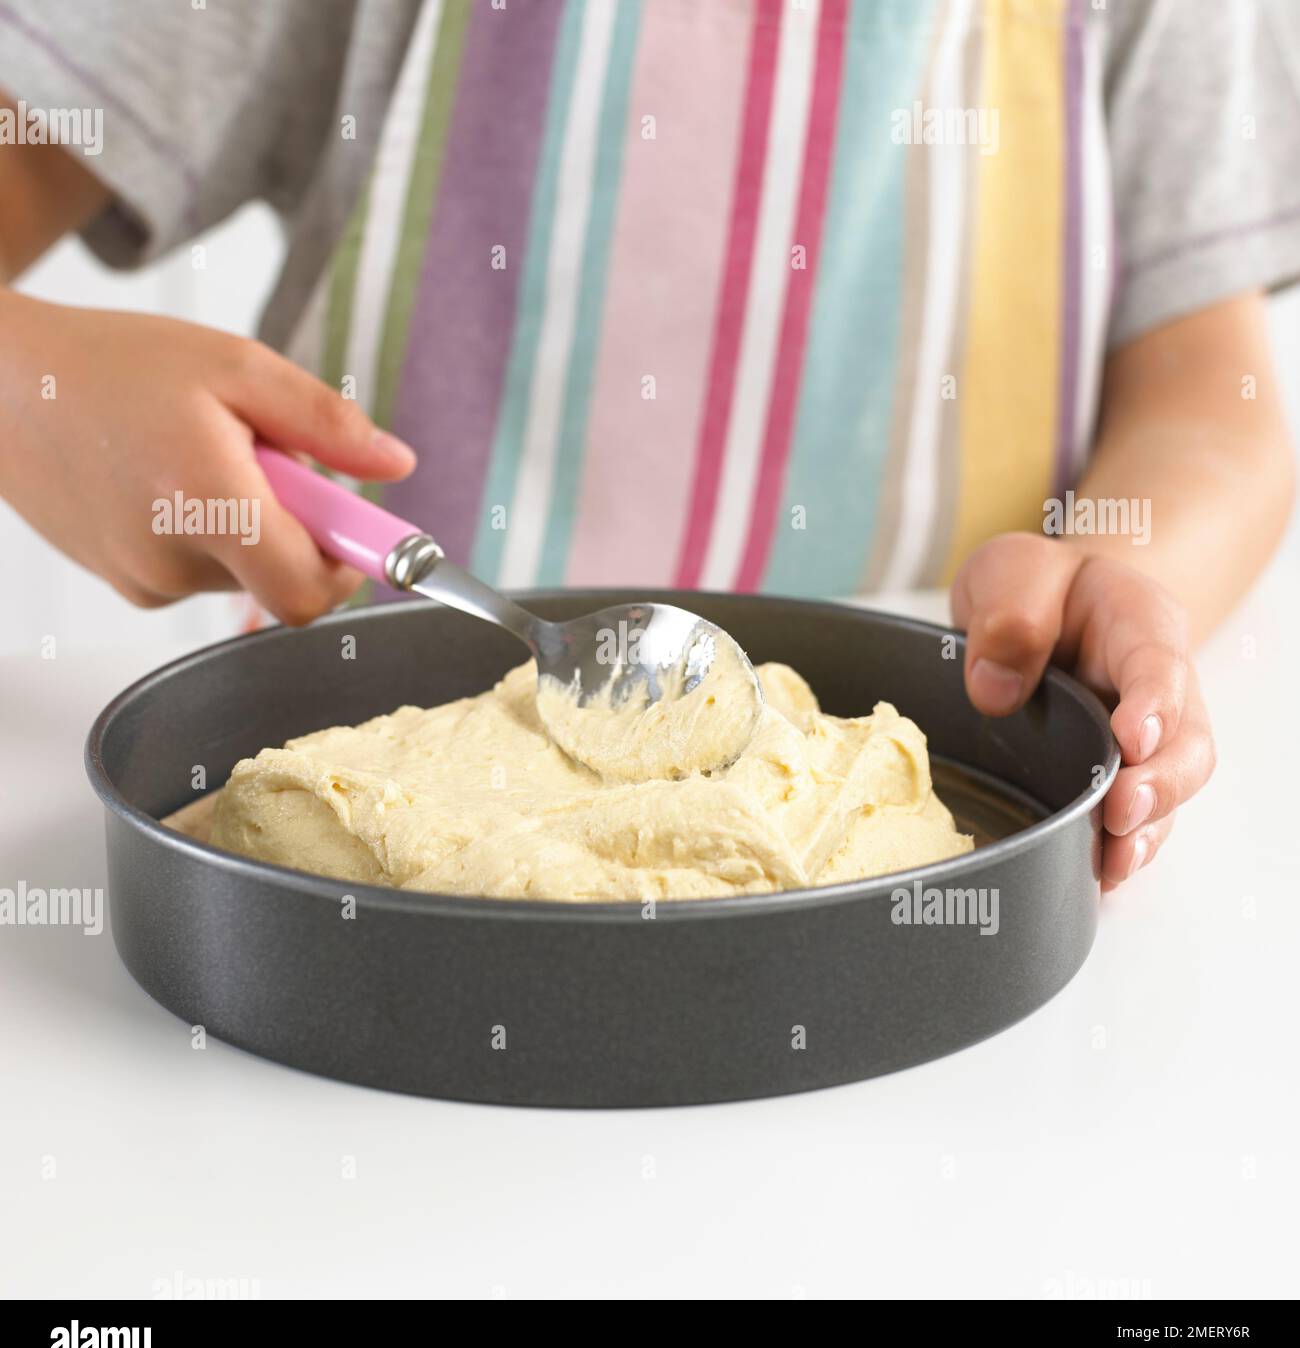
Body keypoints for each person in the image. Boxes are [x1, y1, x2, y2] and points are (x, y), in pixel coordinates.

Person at [1, 0, 1297, 890]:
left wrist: (1125, 572)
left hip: (931, 829)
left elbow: (1208, 395)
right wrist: (31, 384)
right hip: (355, 833)